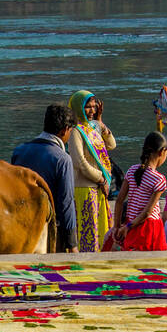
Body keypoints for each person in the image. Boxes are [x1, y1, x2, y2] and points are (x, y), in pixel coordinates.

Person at [11, 104, 79, 253]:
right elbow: (66, 202)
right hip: (47, 230)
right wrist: (71, 243)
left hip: (19, 226)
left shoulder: (19, 151)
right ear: (65, 130)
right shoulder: (62, 159)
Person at [65, 90, 117, 252]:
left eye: (94, 107)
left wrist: (101, 123)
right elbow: (79, 162)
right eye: (87, 107)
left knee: (100, 228)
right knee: (88, 230)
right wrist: (100, 179)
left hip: (99, 187)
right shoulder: (75, 131)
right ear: (78, 108)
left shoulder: (92, 128)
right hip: (85, 188)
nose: (92, 111)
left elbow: (111, 144)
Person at [110, 132, 167, 251]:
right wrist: (127, 227)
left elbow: (120, 200)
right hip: (149, 227)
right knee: (152, 264)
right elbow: (147, 213)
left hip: (131, 221)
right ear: (161, 152)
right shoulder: (159, 179)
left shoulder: (132, 170)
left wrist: (117, 226)